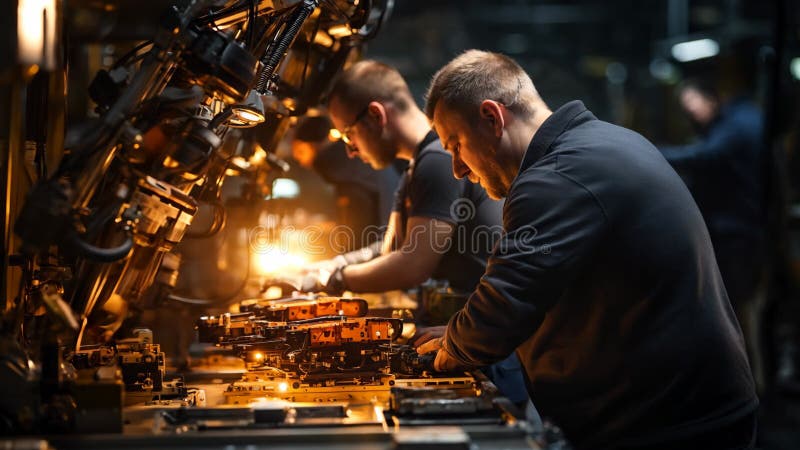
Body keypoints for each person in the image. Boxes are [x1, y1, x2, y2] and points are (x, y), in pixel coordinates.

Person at [417, 50, 758, 449]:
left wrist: (451, 350)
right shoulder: (601, 143)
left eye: (455, 144)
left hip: (672, 425)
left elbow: (505, 303)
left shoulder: (558, 176)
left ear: (492, 118)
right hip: (688, 409)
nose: (457, 168)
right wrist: (459, 332)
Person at [293, 60, 528, 406]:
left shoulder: (436, 163)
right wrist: (326, 268)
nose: (350, 150)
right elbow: (391, 246)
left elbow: (412, 263)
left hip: (485, 348)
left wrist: (336, 280)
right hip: (461, 337)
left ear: (375, 115)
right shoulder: (418, 166)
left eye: (348, 134)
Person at [660, 80, 766, 382]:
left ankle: (750, 386)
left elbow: (705, 156)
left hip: (738, 233)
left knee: (739, 311)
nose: (691, 112)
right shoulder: (734, 120)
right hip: (736, 230)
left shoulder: (738, 123)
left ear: (713, 95)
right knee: (737, 311)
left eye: (693, 102)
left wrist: (652, 153)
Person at [291, 115, 400, 250]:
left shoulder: (345, 169)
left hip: (380, 250)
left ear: (313, 145)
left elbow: (358, 228)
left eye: (300, 151)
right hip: (384, 245)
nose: (300, 161)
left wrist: (345, 264)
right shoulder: (348, 170)